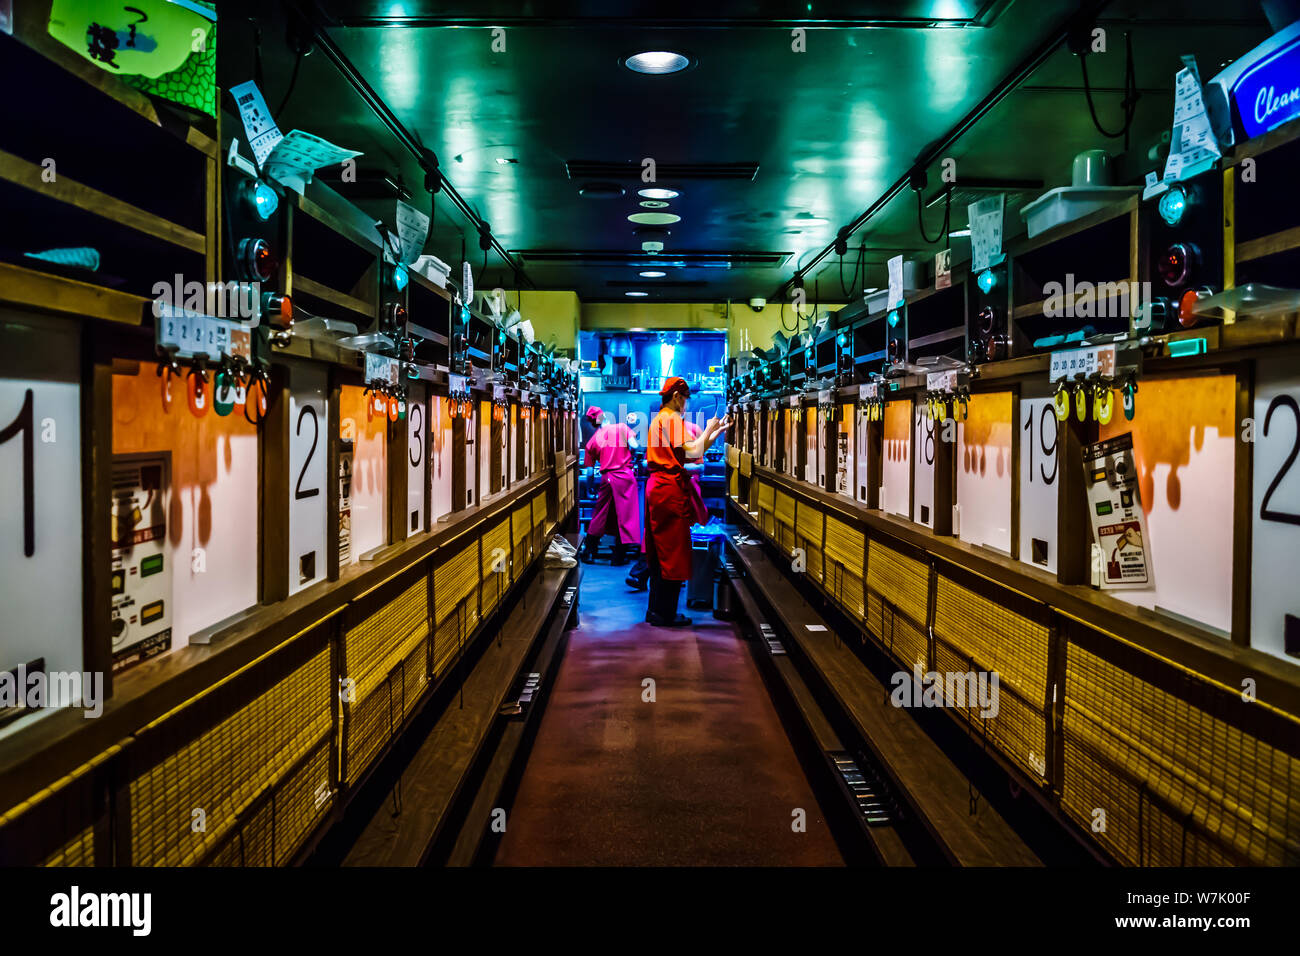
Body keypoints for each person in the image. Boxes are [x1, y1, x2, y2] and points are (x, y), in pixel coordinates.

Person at [643, 377, 730, 627]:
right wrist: (708, 428)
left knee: (660, 552)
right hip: (667, 491)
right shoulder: (671, 418)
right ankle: (665, 614)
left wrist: (715, 431)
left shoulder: (661, 418)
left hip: (660, 489)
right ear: (676, 396)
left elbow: (693, 450)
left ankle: (655, 610)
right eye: (685, 399)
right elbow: (693, 452)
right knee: (671, 552)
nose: (686, 405)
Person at [580, 407, 641, 564]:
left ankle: (589, 552)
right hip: (625, 477)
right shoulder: (621, 427)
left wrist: (590, 488)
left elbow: (589, 473)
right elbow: (634, 446)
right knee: (625, 515)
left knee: (600, 514)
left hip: (607, 479)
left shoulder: (592, 441)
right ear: (604, 415)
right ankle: (619, 556)